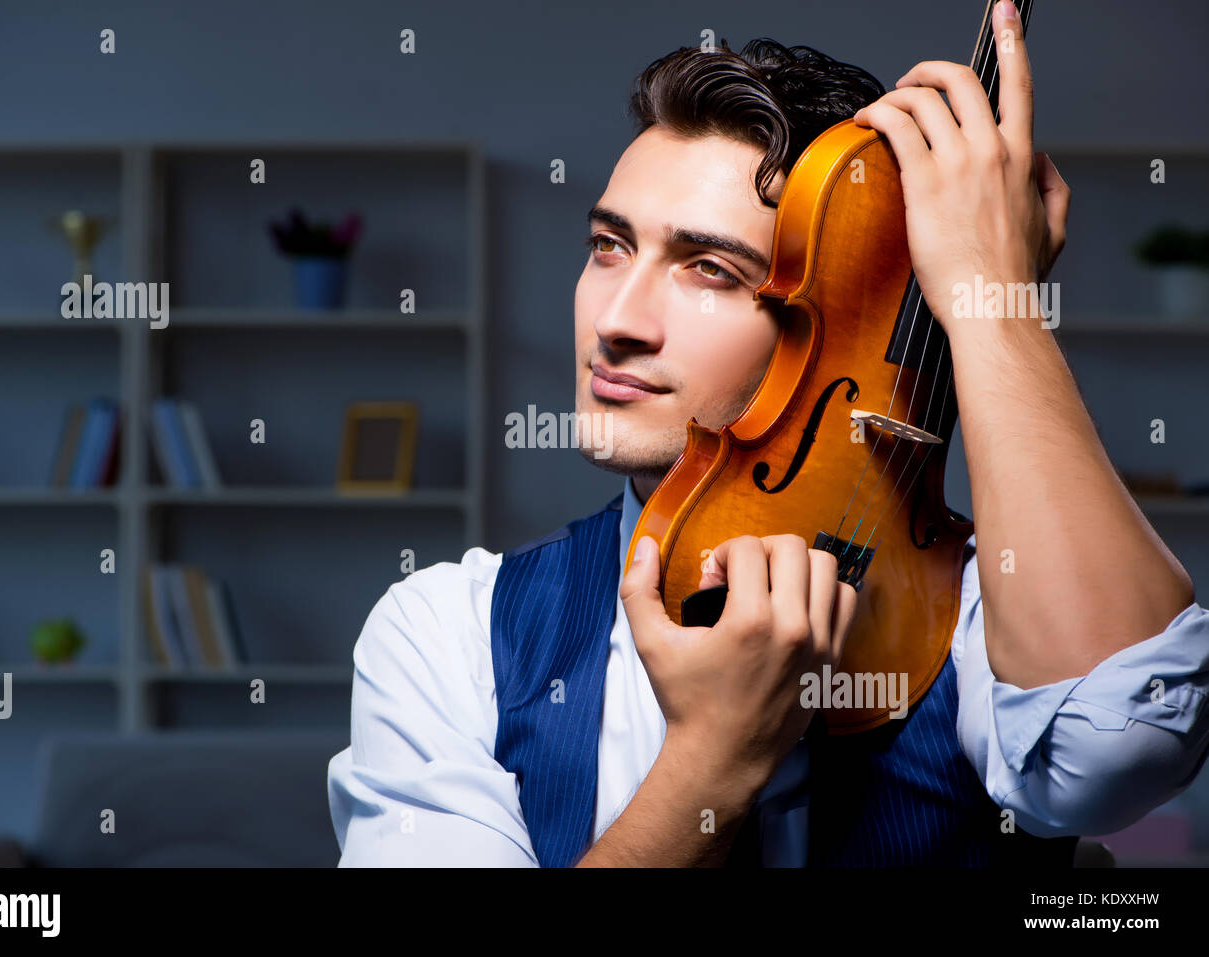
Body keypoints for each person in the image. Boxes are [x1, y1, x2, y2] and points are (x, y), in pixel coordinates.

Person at [328, 2, 1209, 866]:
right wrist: (718, 758)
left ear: (856, 318)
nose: (618, 321)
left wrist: (993, 297)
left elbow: (1121, 751)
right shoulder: (450, 629)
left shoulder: (994, 620)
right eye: (609, 246)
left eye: (710, 269)